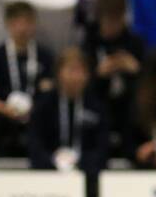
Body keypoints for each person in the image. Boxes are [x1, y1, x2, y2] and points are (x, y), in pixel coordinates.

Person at [0, 1, 56, 158]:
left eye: (27, 22)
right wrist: (6, 109)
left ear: (34, 24)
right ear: (8, 25)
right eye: (17, 22)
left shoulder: (45, 57)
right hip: (4, 114)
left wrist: (34, 110)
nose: (22, 28)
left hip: (35, 114)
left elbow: (50, 92)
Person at [82, 0, 145, 154]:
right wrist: (100, 74)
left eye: (117, 20)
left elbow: (147, 81)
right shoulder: (89, 43)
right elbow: (82, 82)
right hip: (98, 101)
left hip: (128, 106)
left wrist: (135, 69)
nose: (113, 26)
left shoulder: (134, 43)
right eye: (108, 20)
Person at [27, 47, 109, 176]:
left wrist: (79, 162)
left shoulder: (96, 106)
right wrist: (53, 160)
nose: (75, 77)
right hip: (47, 173)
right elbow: (34, 143)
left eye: (80, 71)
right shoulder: (44, 104)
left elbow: (102, 147)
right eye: (71, 70)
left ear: (87, 75)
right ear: (59, 73)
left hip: (86, 174)